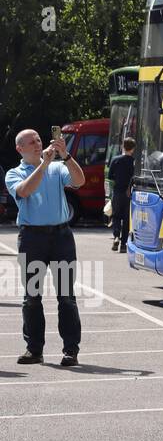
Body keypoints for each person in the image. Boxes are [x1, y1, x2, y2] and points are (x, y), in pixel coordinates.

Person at [4, 129, 85, 366]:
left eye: (39, 140)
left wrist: (66, 156)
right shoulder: (14, 173)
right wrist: (45, 164)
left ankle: (71, 350)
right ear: (20, 149)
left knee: (66, 297)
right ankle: (34, 350)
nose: (37, 144)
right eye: (31, 142)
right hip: (32, 238)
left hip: (61, 236)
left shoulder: (58, 167)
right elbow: (25, 190)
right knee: (31, 297)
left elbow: (79, 181)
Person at [107, 136, 135, 253]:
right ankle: (124, 245)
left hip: (117, 192)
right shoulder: (134, 162)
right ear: (133, 149)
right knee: (127, 220)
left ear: (123, 146)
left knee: (116, 216)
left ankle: (116, 236)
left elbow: (110, 176)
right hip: (129, 194)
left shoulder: (115, 159)